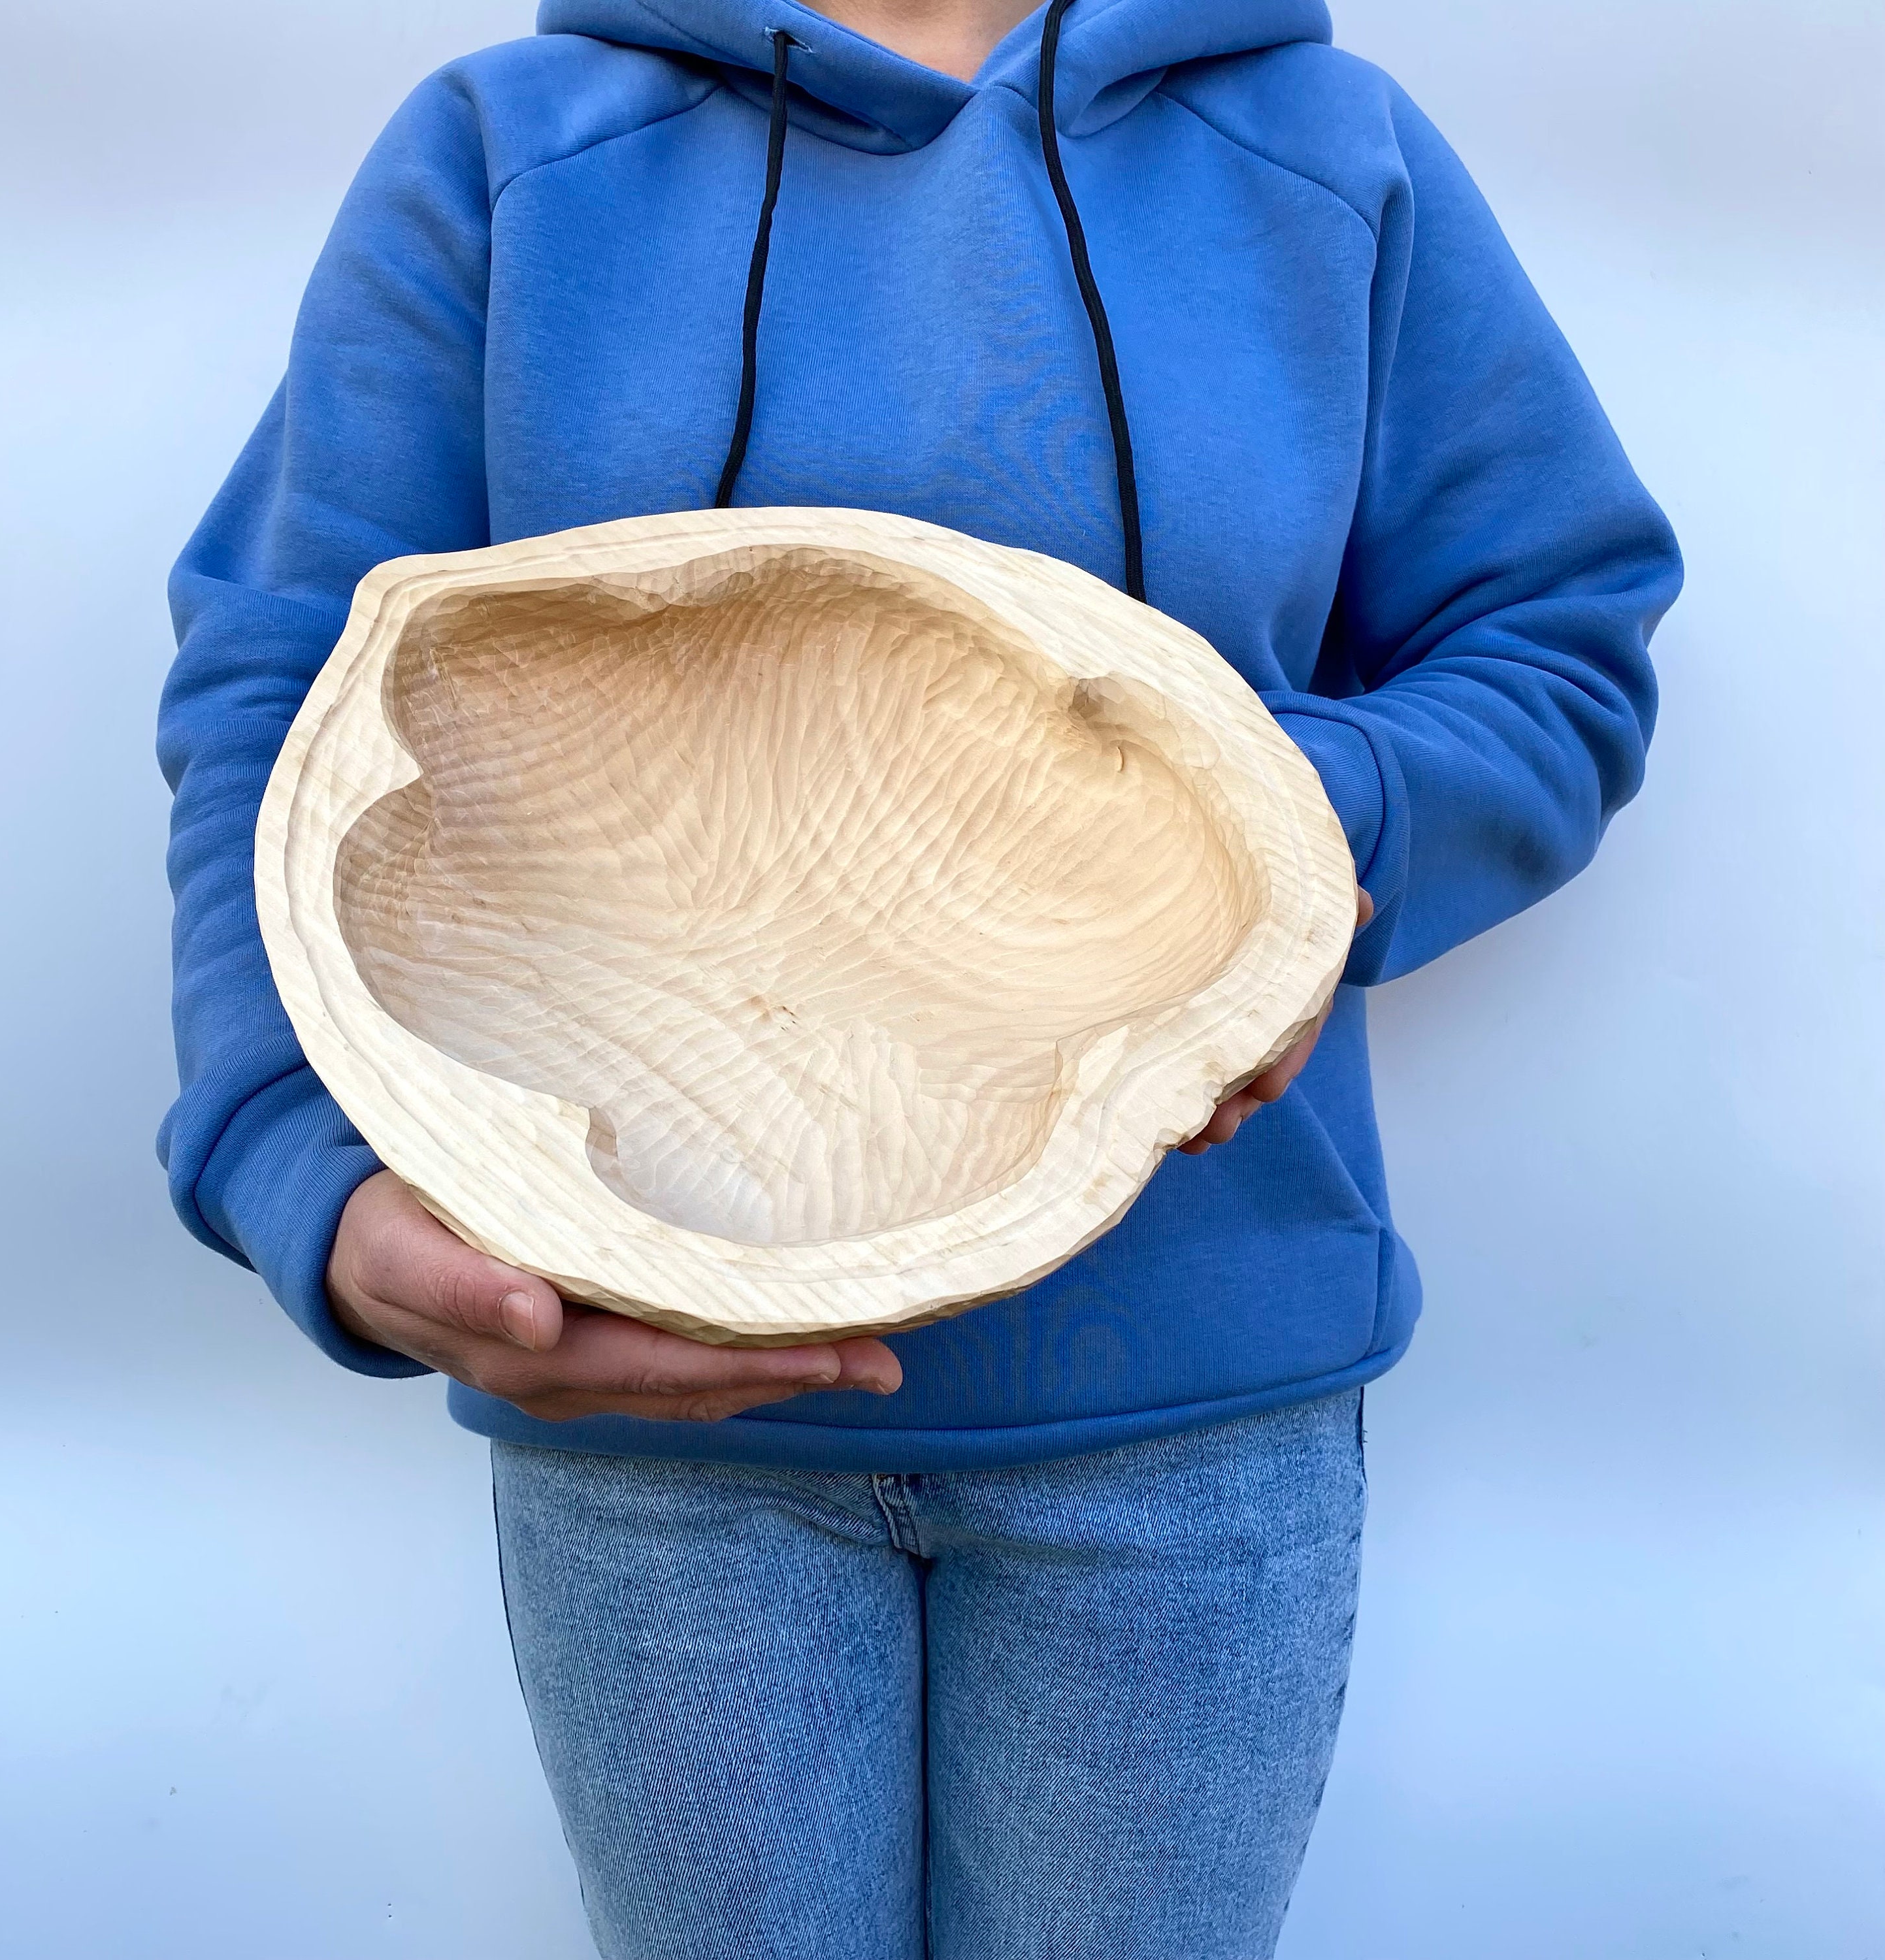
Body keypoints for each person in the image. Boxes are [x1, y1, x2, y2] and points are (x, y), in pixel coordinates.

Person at [157, 0, 1680, 1950]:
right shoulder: (509, 150)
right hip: (652, 1421)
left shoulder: (1325, 148)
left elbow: (1555, 638)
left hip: (1191, 1420)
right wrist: (299, 1167)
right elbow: (288, 684)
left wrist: (1283, 841)